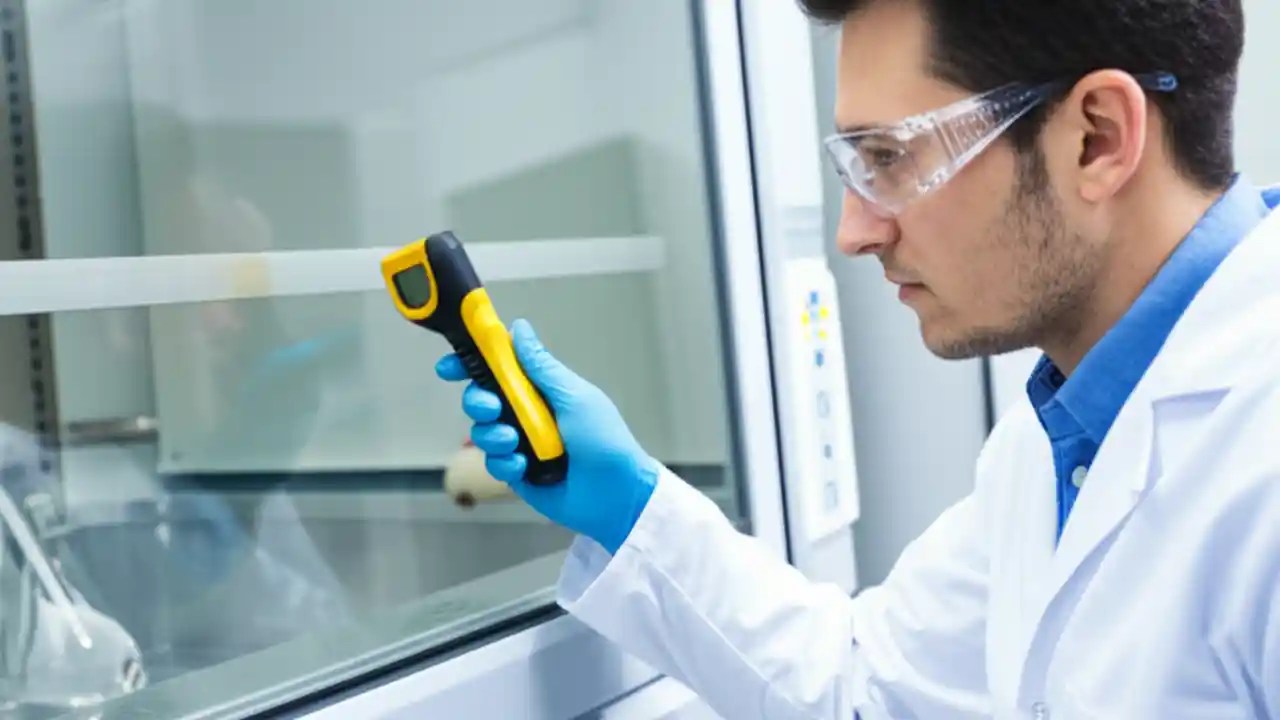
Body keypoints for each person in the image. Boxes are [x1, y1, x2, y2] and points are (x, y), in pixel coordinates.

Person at [437, 0, 1280, 716]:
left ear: (1097, 138)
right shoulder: (1063, 431)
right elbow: (869, 689)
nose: (855, 232)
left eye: (889, 158)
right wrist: (630, 505)